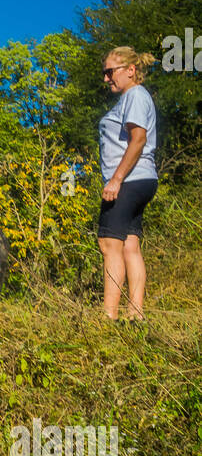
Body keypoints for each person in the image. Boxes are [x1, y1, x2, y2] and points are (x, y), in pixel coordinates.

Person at [97, 47, 158, 320]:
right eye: (104, 73)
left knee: (109, 244)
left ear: (130, 70)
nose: (106, 78)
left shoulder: (134, 95)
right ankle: (135, 314)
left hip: (129, 180)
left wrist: (116, 180)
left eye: (110, 72)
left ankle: (108, 317)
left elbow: (138, 139)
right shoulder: (133, 98)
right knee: (130, 244)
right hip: (142, 179)